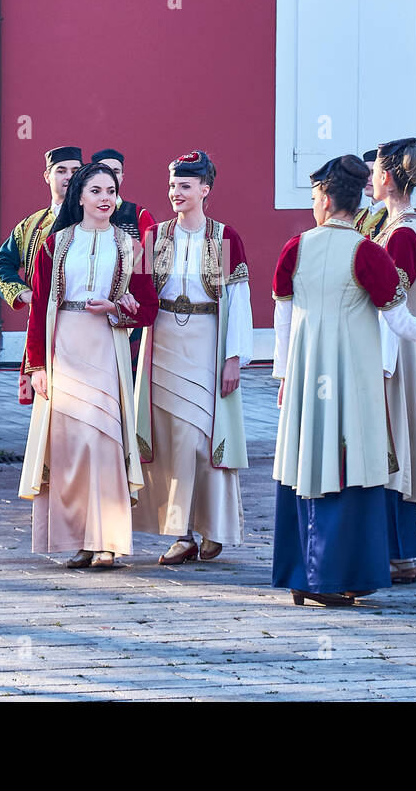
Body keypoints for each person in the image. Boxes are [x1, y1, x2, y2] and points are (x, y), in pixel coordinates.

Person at [272, 155, 416, 607]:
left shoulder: (295, 248)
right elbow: (401, 323)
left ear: (325, 199)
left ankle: (305, 575)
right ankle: (337, 576)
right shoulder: (369, 254)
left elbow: (282, 319)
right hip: (353, 381)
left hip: (308, 379)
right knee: (348, 470)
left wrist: (285, 374)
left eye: (312, 197)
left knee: (309, 465)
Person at [18, 162, 159, 568]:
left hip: (106, 347)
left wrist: (117, 307)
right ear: (78, 195)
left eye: (111, 191)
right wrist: (37, 365)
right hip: (63, 346)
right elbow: (40, 307)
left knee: (104, 442)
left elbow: (148, 308)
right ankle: (79, 538)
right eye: (96, 191)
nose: (105, 199)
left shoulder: (131, 247)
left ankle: (108, 541)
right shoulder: (54, 244)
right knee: (70, 446)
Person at [132, 151, 251, 564]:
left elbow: (238, 301)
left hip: (207, 342)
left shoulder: (226, 238)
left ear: (205, 189)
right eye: (172, 185)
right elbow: (139, 292)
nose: (175, 193)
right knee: (170, 441)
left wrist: (234, 357)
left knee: (202, 439)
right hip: (162, 340)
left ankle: (212, 526)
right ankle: (180, 533)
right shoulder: (153, 237)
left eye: (185, 185)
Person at [368, 138, 416, 583]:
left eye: (376, 170)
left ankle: (401, 553)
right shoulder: (390, 224)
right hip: (395, 345)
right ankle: (395, 550)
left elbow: (389, 301)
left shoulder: (404, 233)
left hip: (395, 350)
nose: (371, 178)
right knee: (396, 438)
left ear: (389, 176)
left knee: (398, 440)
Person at [0, 146, 82, 403]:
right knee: (47, 396)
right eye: (61, 170)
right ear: (47, 176)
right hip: (44, 322)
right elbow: (0, 266)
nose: (68, 177)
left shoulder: (98, 220)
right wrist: (24, 293)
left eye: (75, 171)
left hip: (87, 320)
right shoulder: (32, 225)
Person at [92, 147, 157, 368]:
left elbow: (148, 265)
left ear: (122, 176)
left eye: (116, 171)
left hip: (129, 309)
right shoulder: (79, 215)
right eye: (105, 170)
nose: (112, 175)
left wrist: (127, 293)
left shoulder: (138, 214)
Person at [353, 147, 388, 238]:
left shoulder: (395, 217)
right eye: (365, 172)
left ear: (386, 176)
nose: (367, 178)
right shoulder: (359, 217)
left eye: (373, 172)